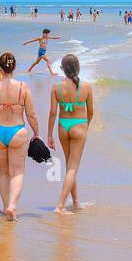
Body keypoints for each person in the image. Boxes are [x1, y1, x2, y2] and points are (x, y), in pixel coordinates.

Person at [0, 52, 39, 221]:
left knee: (3, 172)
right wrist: (37, 133)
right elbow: (32, 114)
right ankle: (12, 206)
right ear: (14, 66)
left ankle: (5, 205)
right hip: (17, 131)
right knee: (17, 173)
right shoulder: (23, 87)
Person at [47, 54, 93, 213]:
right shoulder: (87, 87)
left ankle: (75, 202)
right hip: (79, 126)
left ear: (62, 69)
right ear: (78, 68)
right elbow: (91, 112)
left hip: (63, 127)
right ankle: (60, 206)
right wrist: (85, 127)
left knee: (69, 167)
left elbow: (53, 113)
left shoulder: (56, 88)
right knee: (73, 168)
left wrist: (49, 135)